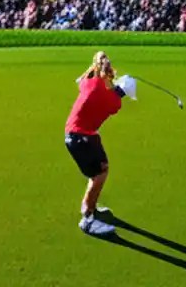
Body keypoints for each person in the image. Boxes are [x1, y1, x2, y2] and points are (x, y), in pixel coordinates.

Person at [64, 51, 135, 237]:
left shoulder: (89, 82)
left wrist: (100, 62)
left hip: (76, 133)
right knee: (100, 174)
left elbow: (90, 76)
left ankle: (90, 206)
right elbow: (113, 97)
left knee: (100, 170)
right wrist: (118, 88)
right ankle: (87, 219)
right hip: (82, 137)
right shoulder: (113, 101)